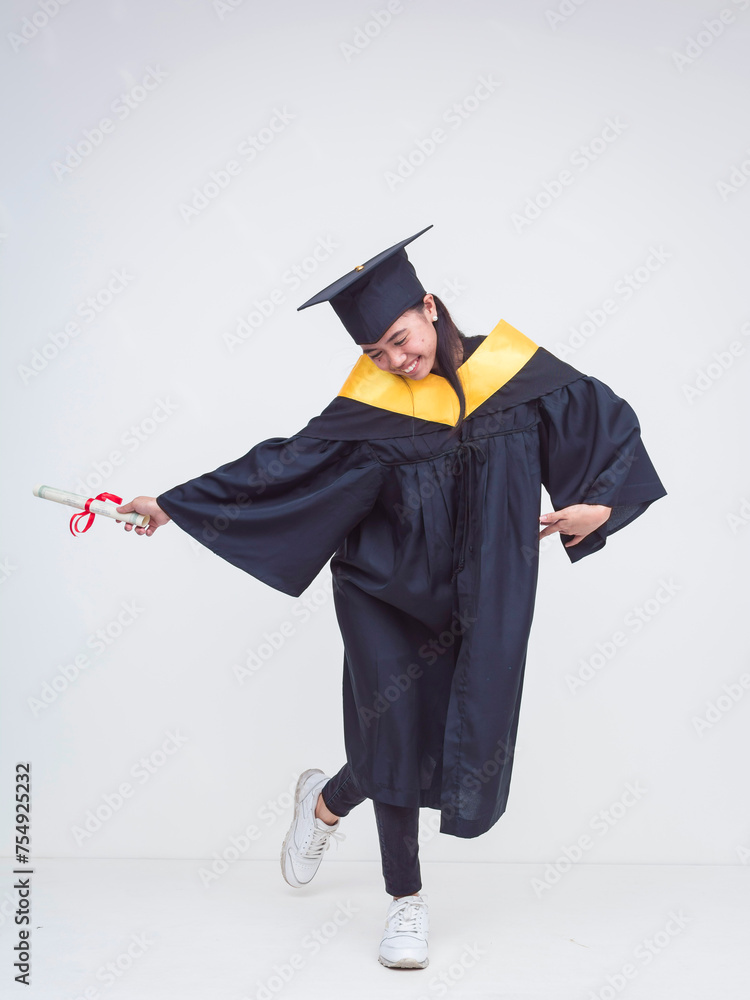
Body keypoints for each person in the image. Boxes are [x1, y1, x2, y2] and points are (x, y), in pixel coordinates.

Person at [116, 224, 667, 970]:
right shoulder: (372, 405)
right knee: (394, 734)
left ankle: (324, 801)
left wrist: (596, 506)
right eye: (376, 352)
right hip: (380, 585)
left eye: (401, 339)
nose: (395, 360)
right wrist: (175, 504)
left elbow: (606, 424)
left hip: (481, 588)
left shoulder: (516, 372)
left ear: (431, 308)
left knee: (413, 743)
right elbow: (283, 467)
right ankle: (406, 901)